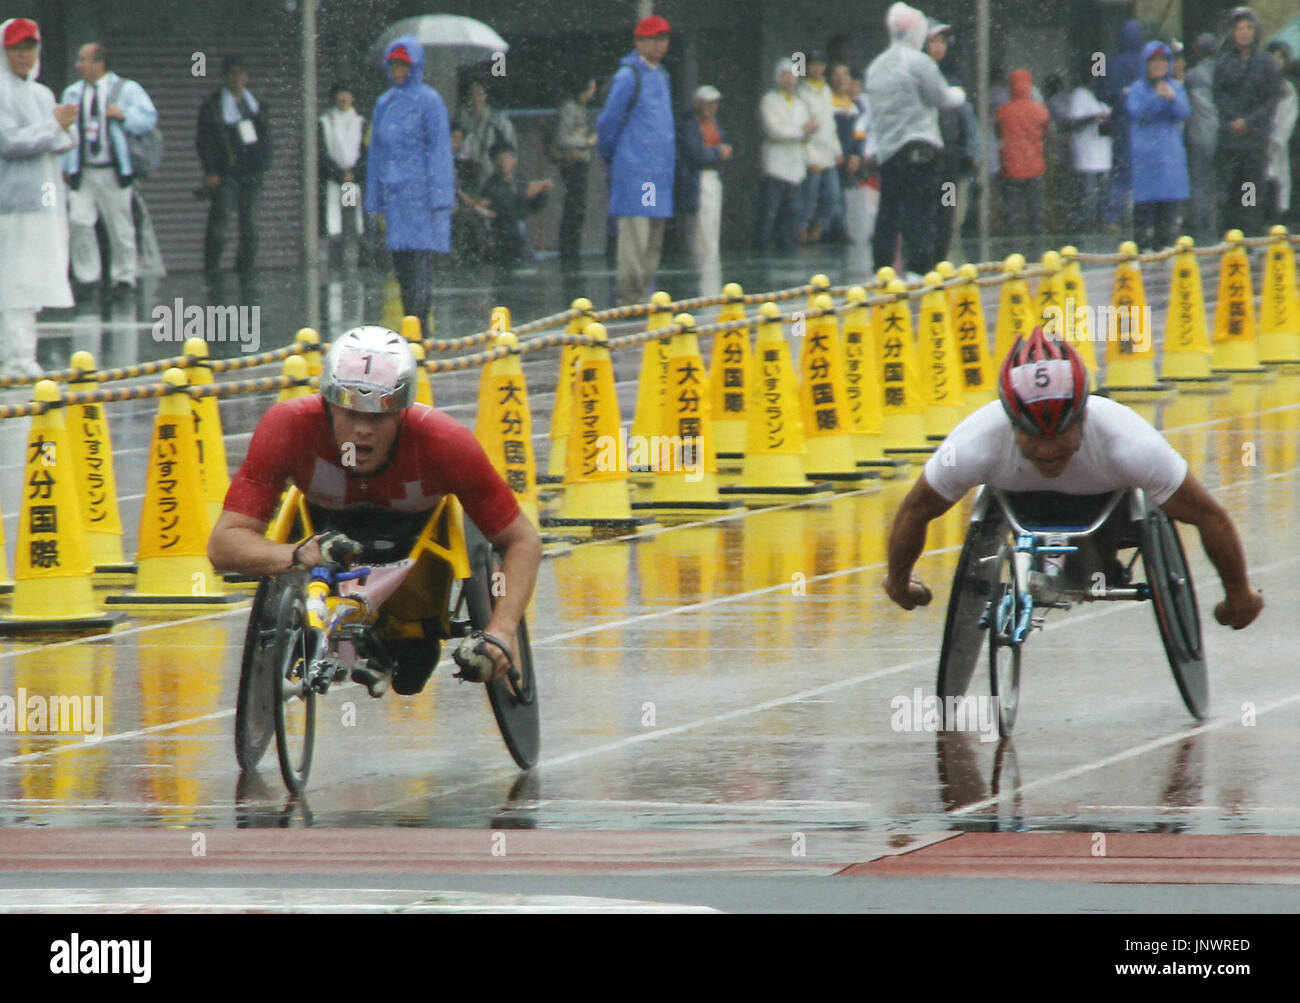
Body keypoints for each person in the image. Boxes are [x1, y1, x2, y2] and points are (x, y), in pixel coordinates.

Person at [208, 325, 543, 697]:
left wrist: (502, 630)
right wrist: (295, 553)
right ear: (327, 405)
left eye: (378, 416)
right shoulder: (288, 428)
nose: (362, 430)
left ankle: (407, 641)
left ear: (402, 413)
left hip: (416, 554)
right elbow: (223, 545)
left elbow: (521, 540)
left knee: (410, 679)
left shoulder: (446, 445)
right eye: (351, 413)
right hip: (324, 532)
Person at [881, 328, 1264, 632]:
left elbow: (1209, 516)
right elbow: (915, 510)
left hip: (1104, 512)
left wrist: (1238, 594)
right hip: (1018, 506)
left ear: (1084, 415)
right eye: (1033, 436)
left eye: (1060, 434)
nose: (1047, 450)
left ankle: (1097, 560)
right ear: (1010, 423)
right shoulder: (976, 442)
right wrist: (898, 581)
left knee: (1103, 543)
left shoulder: (1128, 442)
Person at [866, 1, 966, 279]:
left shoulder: (876, 66)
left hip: (889, 153)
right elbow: (941, 97)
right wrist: (958, 94)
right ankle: (918, 270)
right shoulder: (918, 62)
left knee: (888, 211)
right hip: (921, 149)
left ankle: (882, 269)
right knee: (920, 210)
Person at [0, 17, 75, 379]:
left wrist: (60, 127)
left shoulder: (42, 94)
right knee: (15, 282)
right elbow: (10, 142)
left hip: (43, 204)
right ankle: (16, 360)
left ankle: (18, 356)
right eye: (15, 48)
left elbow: (60, 141)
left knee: (30, 283)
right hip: (10, 205)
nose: (23, 55)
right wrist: (54, 126)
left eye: (29, 47)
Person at [365, 37, 453, 336]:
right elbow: (376, 153)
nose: (398, 70)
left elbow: (439, 150)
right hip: (396, 198)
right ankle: (411, 328)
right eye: (394, 64)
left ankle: (419, 332)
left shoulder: (429, 101)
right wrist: (374, 199)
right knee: (402, 265)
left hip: (422, 196)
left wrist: (440, 197)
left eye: (403, 64)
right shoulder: (384, 103)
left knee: (419, 265)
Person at [60, 42, 156, 303]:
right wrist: (65, 166)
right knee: (80, 222)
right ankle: (87, 278)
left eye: (83, 59)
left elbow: (148, 118)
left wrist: (123, 115)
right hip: (85, 170)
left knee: (120, 226)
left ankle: (124, 278)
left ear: (98, 63)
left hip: (113, 170)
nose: (78, 65)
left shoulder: (126, 89)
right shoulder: (73, 93)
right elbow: (65, 129)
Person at [596, 14, 675, 306]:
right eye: (654, 39)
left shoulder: (662, 75)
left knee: (653, 238)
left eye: (664, 39)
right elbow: (608, 122)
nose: (660, 45)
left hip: (657, 174)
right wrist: (611, 157)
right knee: (635, 237)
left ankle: (645, 291)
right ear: (638, 42)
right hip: (636, 170)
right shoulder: (629, 75)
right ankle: (630, 297)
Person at [196, 56, 272, 291]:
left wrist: (264, 163)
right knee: (220, 220)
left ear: (246, 77)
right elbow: (204, 140)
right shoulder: (213, 105)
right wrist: (210, 170)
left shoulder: (256, 104)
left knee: (249, 222)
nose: (236, 79)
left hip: (252, 172)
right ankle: (212, 268)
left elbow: (266, 136)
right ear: (225, 77)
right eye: (231, 74)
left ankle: (245, 268)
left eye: (241, 73)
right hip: (226, 172)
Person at [1213, 6, 1278, 237]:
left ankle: (1250, 230)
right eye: (1239, 28)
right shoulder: (1223, 63)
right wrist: (1233, 119)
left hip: (1254, 141)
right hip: (1230, 140)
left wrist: (1249, 121)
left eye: (1249, 28)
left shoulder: (1265, 63)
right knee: (1229, 187)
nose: (1244, 33)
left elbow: (1271, 99)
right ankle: (1228, 232)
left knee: (1249, 189)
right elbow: (1219, 95)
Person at [924, 19, 979, 264]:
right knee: (924, 212)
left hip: (949, 161)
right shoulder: (917, 75)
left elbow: (967, 118)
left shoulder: (952, 78)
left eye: (942, 42)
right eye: (933, 42)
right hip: (923, 158)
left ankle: (942, 260)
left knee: (949, 212)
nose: (938, 47)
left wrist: (972, 151)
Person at [1128, 40, 1190, 252]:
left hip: (1169, 158)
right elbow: (1139, 114)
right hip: (1145, 159)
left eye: (1163, 60)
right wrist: (1157, 98)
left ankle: (1164, 246)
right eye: (1153, 61)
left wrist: (1171, 99)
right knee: (1144, 209)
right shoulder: (1137, 89)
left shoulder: (1177, 87)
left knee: (1168, 210)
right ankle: (1143, 247)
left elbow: (1184, 113)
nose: (1158, 65)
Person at [677, 84, 731, 289]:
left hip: (714, 177)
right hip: (699, 179)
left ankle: (711, 280)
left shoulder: (715, 124)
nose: (712, 107)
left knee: (711, 228)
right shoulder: (691, 125)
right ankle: (701, 280)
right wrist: (717, 153)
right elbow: (695, 153)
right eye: (708, 103)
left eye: (715, 103)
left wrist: (718, 152)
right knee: (701, 230)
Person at [756, 58, 813, 252]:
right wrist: (801, 131)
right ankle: (761, 251)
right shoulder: (769, 100)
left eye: (793, 75)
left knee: (790, 214)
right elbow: (774, 130)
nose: (790, 79)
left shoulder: (800, 103)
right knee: (769, 213)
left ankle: (786, 251)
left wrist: (803, 131)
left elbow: (809, 130)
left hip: (795, 168)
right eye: (785, 75)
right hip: (776, 167)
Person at [1101, 19, 1146, 230]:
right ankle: (1143, 218)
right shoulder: (1145, 62)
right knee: (1143, 170)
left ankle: (1113, 216)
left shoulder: (1112, 63)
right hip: (1143, 124)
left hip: (1120, 123)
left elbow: (1104, 92)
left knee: (1119, 173)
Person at [479, 141, 553, 268]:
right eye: (498, 159)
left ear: (514, 160)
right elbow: (504, 211)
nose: (503, 162)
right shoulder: (490, 186)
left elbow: (532, 208)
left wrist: (543, 194)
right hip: (502, 237)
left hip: (519, 236)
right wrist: (524, 195)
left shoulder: (520, 181)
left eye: (506, 158)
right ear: (493, 162)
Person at [796, 51, 843, 245]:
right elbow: (801, 126)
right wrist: (808, 158)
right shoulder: (802, 91)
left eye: (820, 64)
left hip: (827, 153)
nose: (817, 68)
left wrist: (837, 150)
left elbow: (830, 124)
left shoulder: (826, 90)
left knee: (832, 196)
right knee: (808, 199)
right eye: (813, 64)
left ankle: (816, 233)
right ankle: (801, 234)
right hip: (810, 152)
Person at [996, 69, 1050, 239]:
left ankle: (1013, 246)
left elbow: (998, 133)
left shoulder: (1003, 111)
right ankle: (1037, 246)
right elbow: (1046, 133)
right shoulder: (1040, 110)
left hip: (1011, 167)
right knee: (1036, 211)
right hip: (1035, 166)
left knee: (1012, 211)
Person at [318, 82, 367, 267]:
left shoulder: (361, 122)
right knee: (332, 220)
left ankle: (353, 259)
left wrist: (353, 174)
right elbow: (321, 152)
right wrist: (338, 174)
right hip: (333, 181)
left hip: (351, 181)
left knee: (351, 216)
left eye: (347, 94)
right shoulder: (325, 121)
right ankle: (334, 261)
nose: (343, 98)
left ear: (353, 98)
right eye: (340, 94)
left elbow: (365, 152)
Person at [552, 77, 597, 268]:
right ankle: (568, 250)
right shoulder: (570, 108)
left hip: (580, 162)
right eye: (591, 88)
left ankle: (572, 248)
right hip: (572, 162)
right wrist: (586, 142)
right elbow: (563, 138)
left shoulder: (579, 108)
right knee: (574, 207)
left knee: (578, 207)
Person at [1065, 68, 1113, 233]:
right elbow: (1073, 123)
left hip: (1103, 157)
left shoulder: (1100, 98)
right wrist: (1093, 118)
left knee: (1102, 197)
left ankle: (1100, 227)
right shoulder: (1080, 95)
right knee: (1088, 198)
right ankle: (1087, 230)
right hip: (1087, 157)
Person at [1183, 33, 1220, 240]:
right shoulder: (1221, 72)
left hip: (1197, 134)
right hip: (1219, 133)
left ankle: (1200, 223)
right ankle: (1215, 223)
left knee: (1198, 181)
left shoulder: (1192, 76)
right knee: (1216, 180)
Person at [456, 80, 517, 194]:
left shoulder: (498, 120)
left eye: (480, 94)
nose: (476, 99)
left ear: (485, 96)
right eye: (472, 95)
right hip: (466, 175)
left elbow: (511, 148)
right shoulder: (460, 120)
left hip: (492, 175)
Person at [1264, 41, 1298, 221]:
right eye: (1272, 57)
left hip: (1278, 145)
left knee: (1279, 182)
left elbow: (1289, 117)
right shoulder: (1258, 83)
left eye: (1280, 57)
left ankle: (1279, 218)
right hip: (1255, 143)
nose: (1276, 61)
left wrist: (1276, 139)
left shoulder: (1288, 88)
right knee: (1250, 185)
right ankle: (1250, 216)